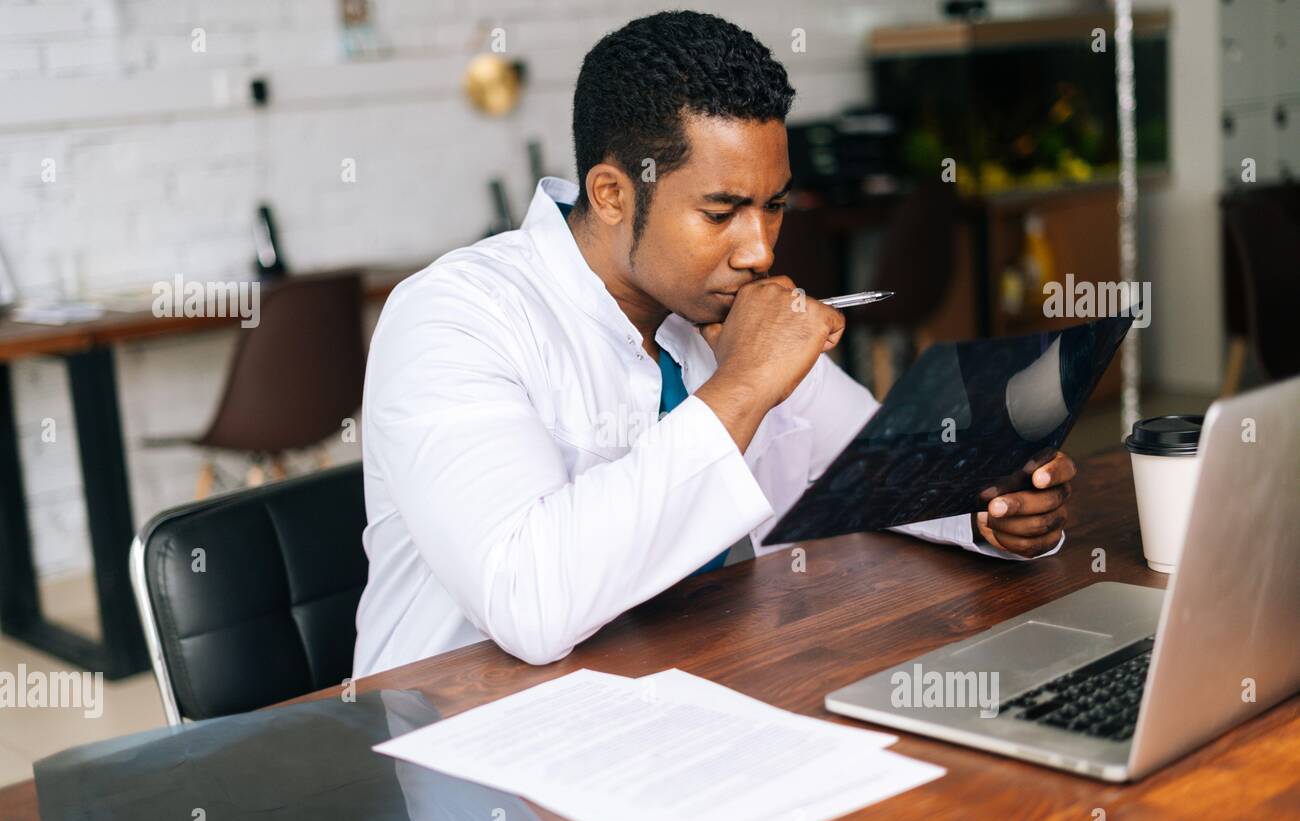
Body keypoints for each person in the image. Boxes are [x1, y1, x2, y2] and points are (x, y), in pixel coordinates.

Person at [352, 11, 1073, 677]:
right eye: (721, 212)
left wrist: (988, 508)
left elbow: (881, 469)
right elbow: (531, 606)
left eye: (775, 206)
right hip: (468, 743)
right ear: (611, 195)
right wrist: (744, 385)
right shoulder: (453, 318)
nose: (759, 250)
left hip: (690, 693)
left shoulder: (718, 305)